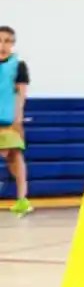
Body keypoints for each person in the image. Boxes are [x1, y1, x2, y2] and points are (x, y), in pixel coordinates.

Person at [0, 26, 31, 217]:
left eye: (7, 41)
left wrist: (18, 119)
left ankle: (22, 199)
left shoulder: (18, 66)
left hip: (9, 120)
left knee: (14, 157)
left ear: (13, 44)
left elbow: (21, 94)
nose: (3, 45)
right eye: (0, 40)